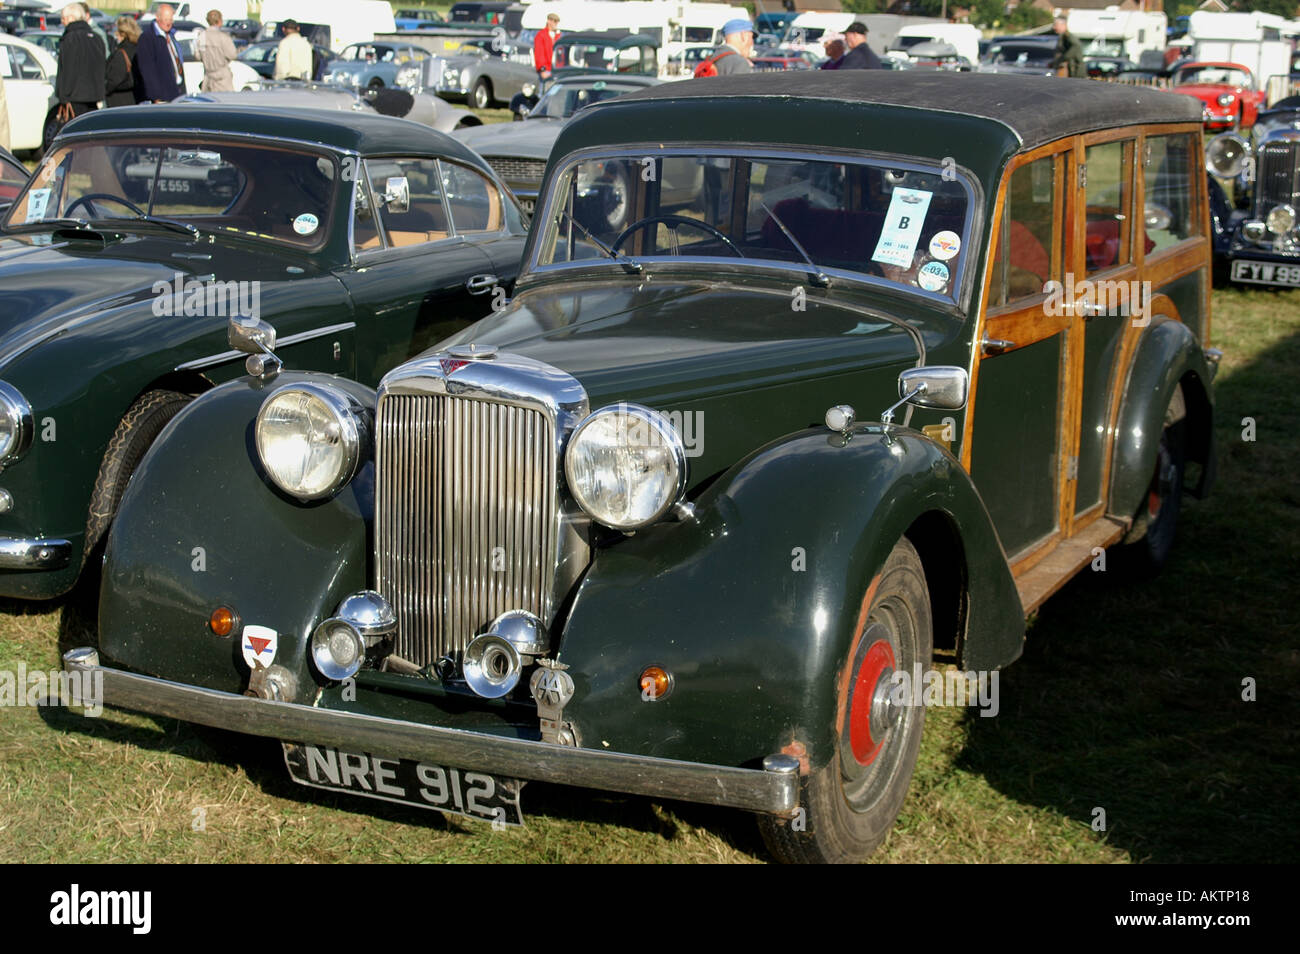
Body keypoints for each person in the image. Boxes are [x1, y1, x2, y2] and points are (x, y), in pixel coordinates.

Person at [56, 3, 106, 119]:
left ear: (71, 18)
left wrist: (63, 96)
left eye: (63, 18)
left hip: (74, 97)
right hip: (95, 96)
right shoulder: (97, 38)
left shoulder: (69, 39)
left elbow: (66, 69)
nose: (62, 22)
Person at [135, 3, 186, 102]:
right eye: (166, 20)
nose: (169, 23)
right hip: (161, 96)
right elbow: (147, 69)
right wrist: (155, 97)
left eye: (171, 20)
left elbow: (176, 61)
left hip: (176, 93)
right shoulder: (147, 38)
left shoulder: (171, 35)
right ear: (157, 18)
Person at [196, 9, 238, 91]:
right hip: (223, 79)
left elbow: (197, 56)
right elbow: (233, 55)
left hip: (208, 78)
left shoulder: (201, 37)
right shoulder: (223, 37)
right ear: (219, 21)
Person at [104, 15, 140, 107]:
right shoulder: (139, 48)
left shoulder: (121, 53)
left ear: (123, 34)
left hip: (119, 100)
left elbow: (114, 79)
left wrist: (104, 90)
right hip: (135, 97)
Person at [1049, 14, 1084, 78]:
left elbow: (1076, 45)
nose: (1054, 28)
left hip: (1075, 71)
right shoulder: (1063, 36)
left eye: (1056, 25)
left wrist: (1063, 59)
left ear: (1063, 25)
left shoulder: (1067, 36)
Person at [533, 12, 560, 92]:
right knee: (545, 92)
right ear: (549, 21)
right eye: (554, 21)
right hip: (546, 70)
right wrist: (542, 70)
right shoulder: (541, 35)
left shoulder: (557, 35)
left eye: (557, 21)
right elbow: (539, 54)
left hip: (555, 69)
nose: (556, 24)